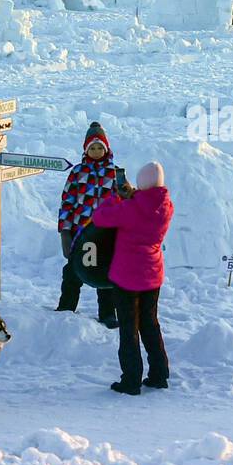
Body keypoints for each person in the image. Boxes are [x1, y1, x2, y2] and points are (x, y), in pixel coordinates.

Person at [92, 162, 174, 395]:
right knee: (150, 324)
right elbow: (148, 203)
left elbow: (101, 218)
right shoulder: (167, 206)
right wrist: (135, 196)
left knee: (129, 329)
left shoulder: (130, 210)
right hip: (153, 275)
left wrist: (115, 198)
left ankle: (131, 380)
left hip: (127, 276)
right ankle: (159, 375)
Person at [56, 122, 120, 327]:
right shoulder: (78, 172)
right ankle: (66, 307)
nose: (96, 151)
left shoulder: (115, 173)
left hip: (107, 234)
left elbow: (126, 203)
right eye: (91, 148)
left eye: (99, 147)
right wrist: (65, 232)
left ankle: (108, 313)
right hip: (80, 232)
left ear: (106, 148)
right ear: (85, 149)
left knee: (106, 273)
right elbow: (67, 202)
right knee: (73, 271)